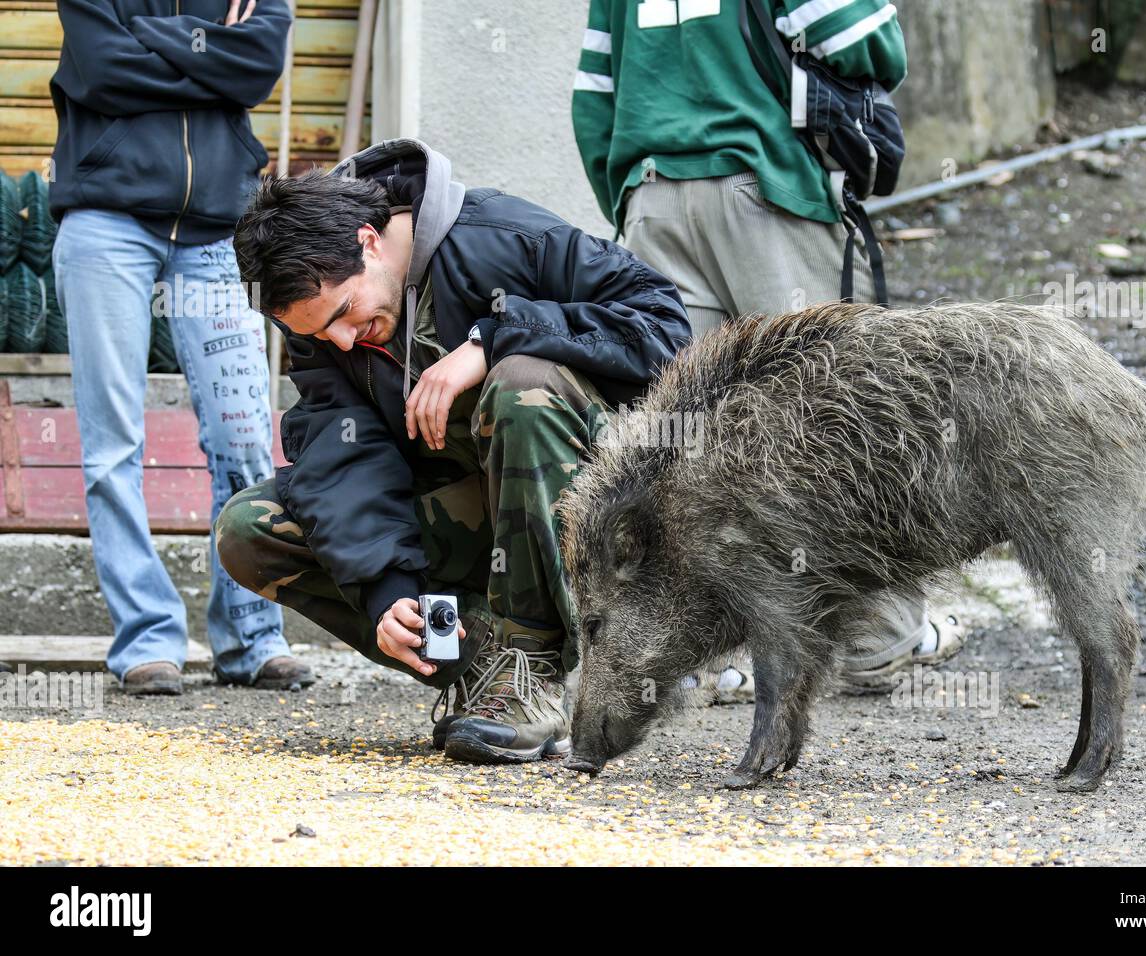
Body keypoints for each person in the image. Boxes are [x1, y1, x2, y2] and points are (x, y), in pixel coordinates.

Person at [217, 139, 691, 764]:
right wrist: (386, 586)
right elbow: (338, 453)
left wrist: (494, 340)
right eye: (318, 333)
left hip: (598, 518)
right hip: (473, 521)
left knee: (524, 385)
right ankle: (487, 670)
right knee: (248, 530)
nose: (340, 339)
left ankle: (536, 662)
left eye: (343, 312)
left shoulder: (505, 235)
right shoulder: (324, 314)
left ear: (367, 239)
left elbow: (664, 327)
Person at [571, 0, 964, 697]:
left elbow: (594, 99)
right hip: (765, 188)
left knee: (680, 448)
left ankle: (692, 659)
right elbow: (866, 39)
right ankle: (878, 643)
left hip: (654, 197)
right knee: (839, 424)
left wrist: (631, 197)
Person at [49, 0, 312, 694]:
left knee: (246, 434)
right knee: (113, 445)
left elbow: (255, 68)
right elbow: (102, 70)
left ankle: (252, 637)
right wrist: (207, 53)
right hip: (106, 223)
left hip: (218, 230)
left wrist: (155, 39)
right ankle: (147, 638)